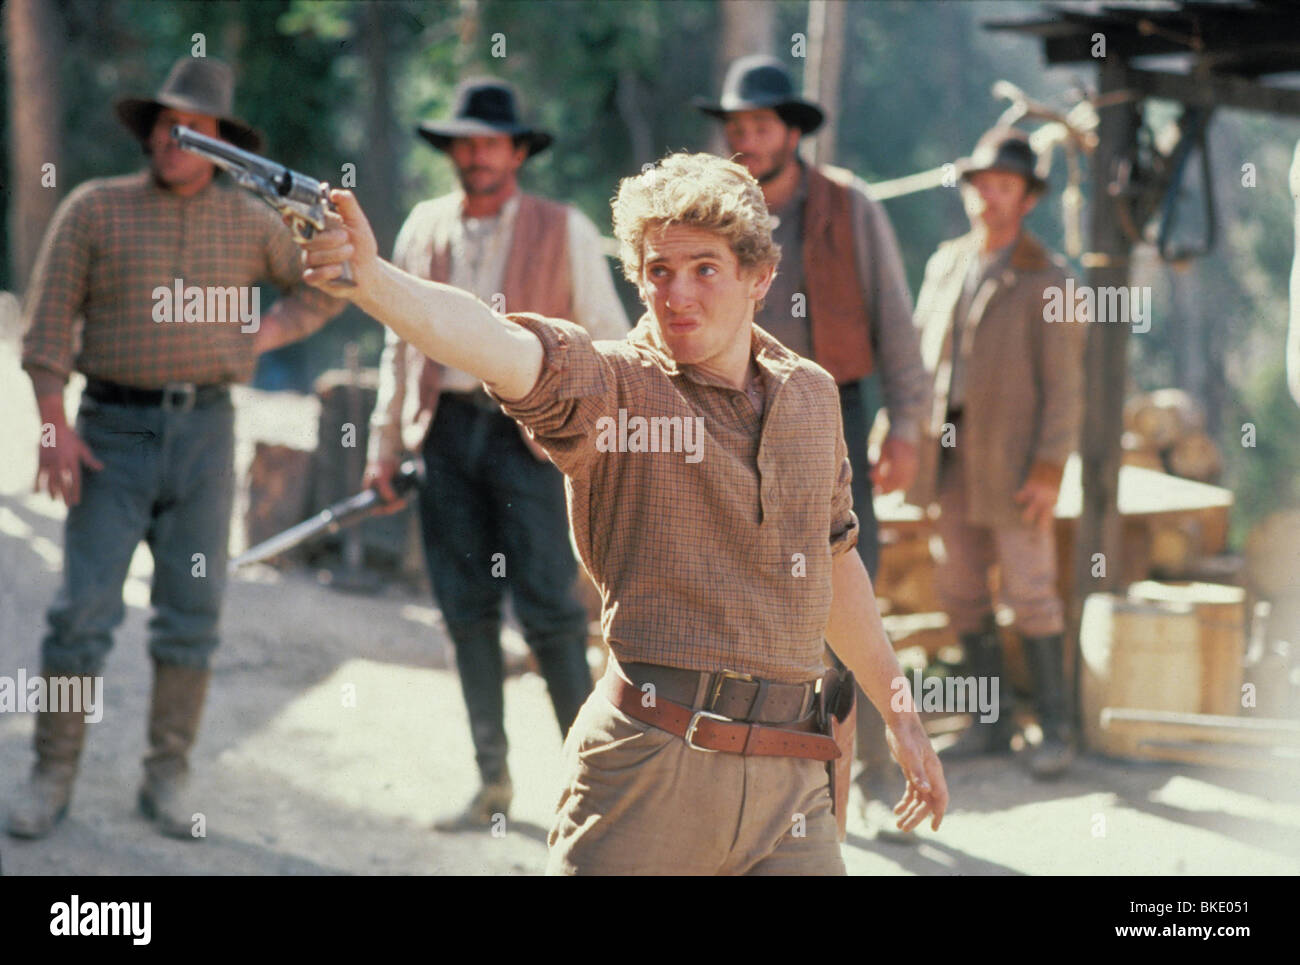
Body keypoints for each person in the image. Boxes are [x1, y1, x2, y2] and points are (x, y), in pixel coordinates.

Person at [292, 150, 948, 875]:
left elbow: (834, 557)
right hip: (649, 767)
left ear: (760, 277)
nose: (678, 295)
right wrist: (374, 279)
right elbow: (499, 343)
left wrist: (900, 710)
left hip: (791, 784)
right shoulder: (612, 388)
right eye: (658, 271)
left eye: (704, 268)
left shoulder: (814, 395)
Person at [9, 57, 342, 840]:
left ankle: (168, 776)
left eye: (190, 126)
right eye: (162, 123)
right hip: (111, 436)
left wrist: (265, 332)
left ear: (222, 142)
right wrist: (53, 425)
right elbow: (47, 323)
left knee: (192, 614)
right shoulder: (96, 209)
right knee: (80, 615)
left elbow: (325, 281)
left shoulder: (253, 221)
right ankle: (51, 772)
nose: (172, 137)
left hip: (205, 433)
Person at [364, 78, 630, 830]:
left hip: (531, 439)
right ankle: (493, 783)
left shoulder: (563, 228)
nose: (476, 156)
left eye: (490, 142)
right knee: (465, 610)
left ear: (517, 151)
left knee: (550, 612)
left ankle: (595, 793)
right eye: (465, 143)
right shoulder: (423, 228)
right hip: (445, 431)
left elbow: (608, 336)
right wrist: (385, 442)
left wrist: (600, 437)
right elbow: (398, 341)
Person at [696, 54, 930, 839]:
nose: (746, 140)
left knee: (843, 588)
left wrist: (907, 423)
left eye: (759, 126)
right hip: (736, 415)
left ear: (792, 132)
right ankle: (766, 772)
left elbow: (895, 319)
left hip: (836, 411)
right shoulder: (719, 211)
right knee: (748, 596)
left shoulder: (848, 207)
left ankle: (851, 771)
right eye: (736, 128)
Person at [905, 127, 1084, 778]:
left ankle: (1057, 729)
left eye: (1005, 186)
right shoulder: (947, 262)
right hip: (948, 455)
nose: (990, 198)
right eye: (982, 185)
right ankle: (991, 722)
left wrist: (1047, 470)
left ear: (1027, 198)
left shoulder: (1050, 279)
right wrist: (897, 435)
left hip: (1013, 463)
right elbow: (919, 357)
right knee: (958, 586)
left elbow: (1066, 390)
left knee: (1031, 589)